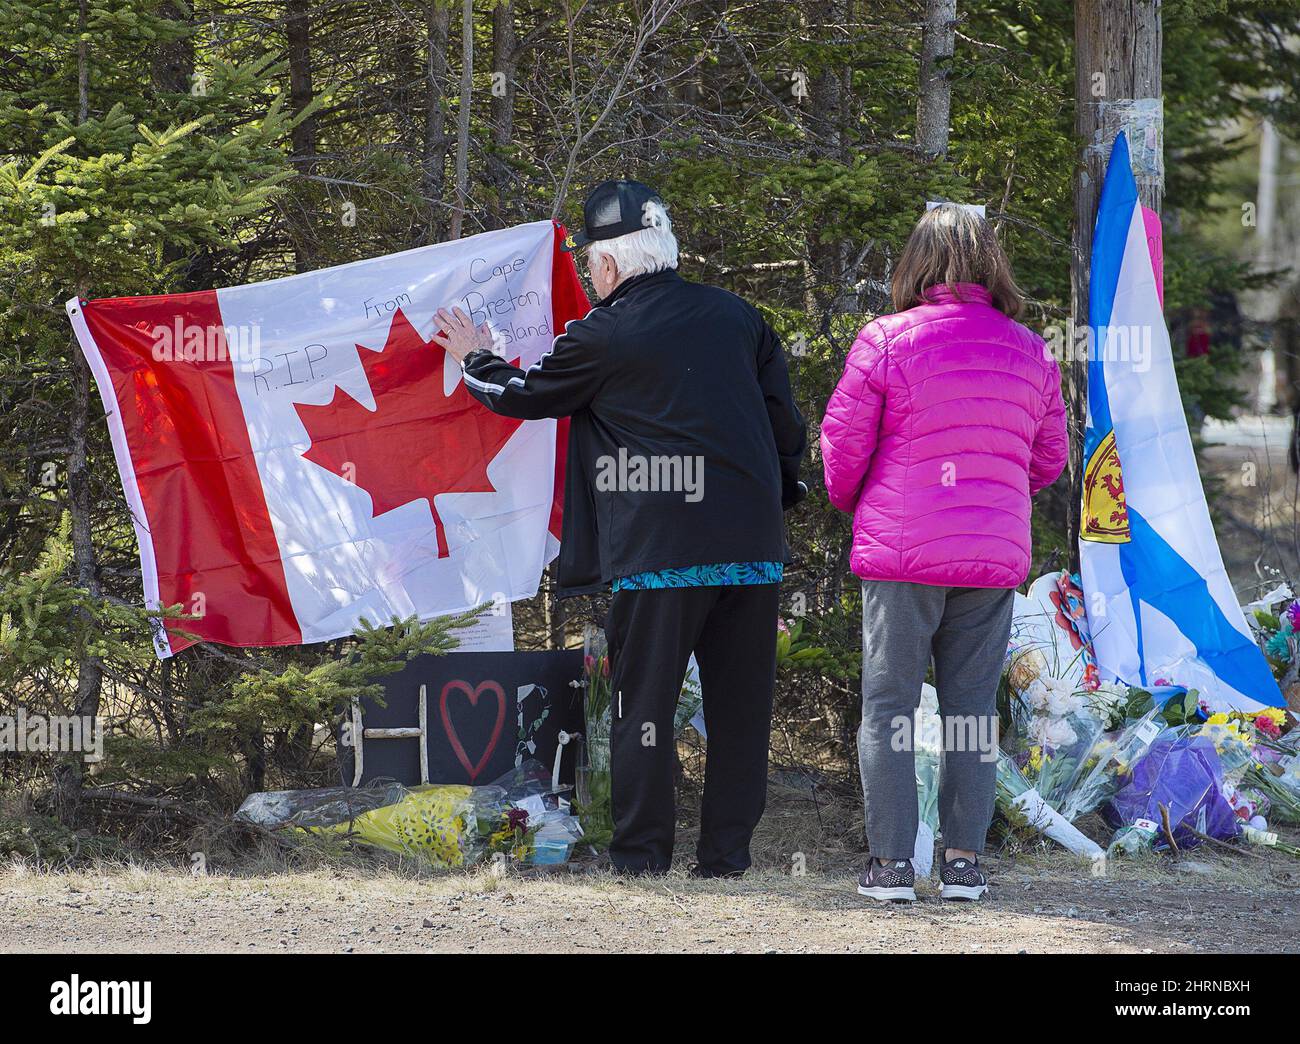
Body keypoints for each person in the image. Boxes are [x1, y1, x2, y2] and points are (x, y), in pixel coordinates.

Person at [433, 180, 807, 877]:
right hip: (751, 548)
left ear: (607, 266)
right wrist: (778, 496)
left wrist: (474, 358)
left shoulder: (608, 332)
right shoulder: (741, 317)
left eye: (589, 267)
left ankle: (641, 858)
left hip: (661, 552)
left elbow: (525, 396)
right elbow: (787, 428)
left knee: (645, 711)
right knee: (741, 715)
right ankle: (726, 860)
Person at [820, 203, 1067, 902]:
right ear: (992, 263)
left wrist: (863, 504)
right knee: (970, 709)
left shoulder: (885, 340)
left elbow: (842, 448)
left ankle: (892, 866)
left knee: (890, 707)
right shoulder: (1029, 347)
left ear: (917, 263)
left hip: (901, 552)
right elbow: (1047, 458)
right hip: (989, 557)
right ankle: (963, 864)